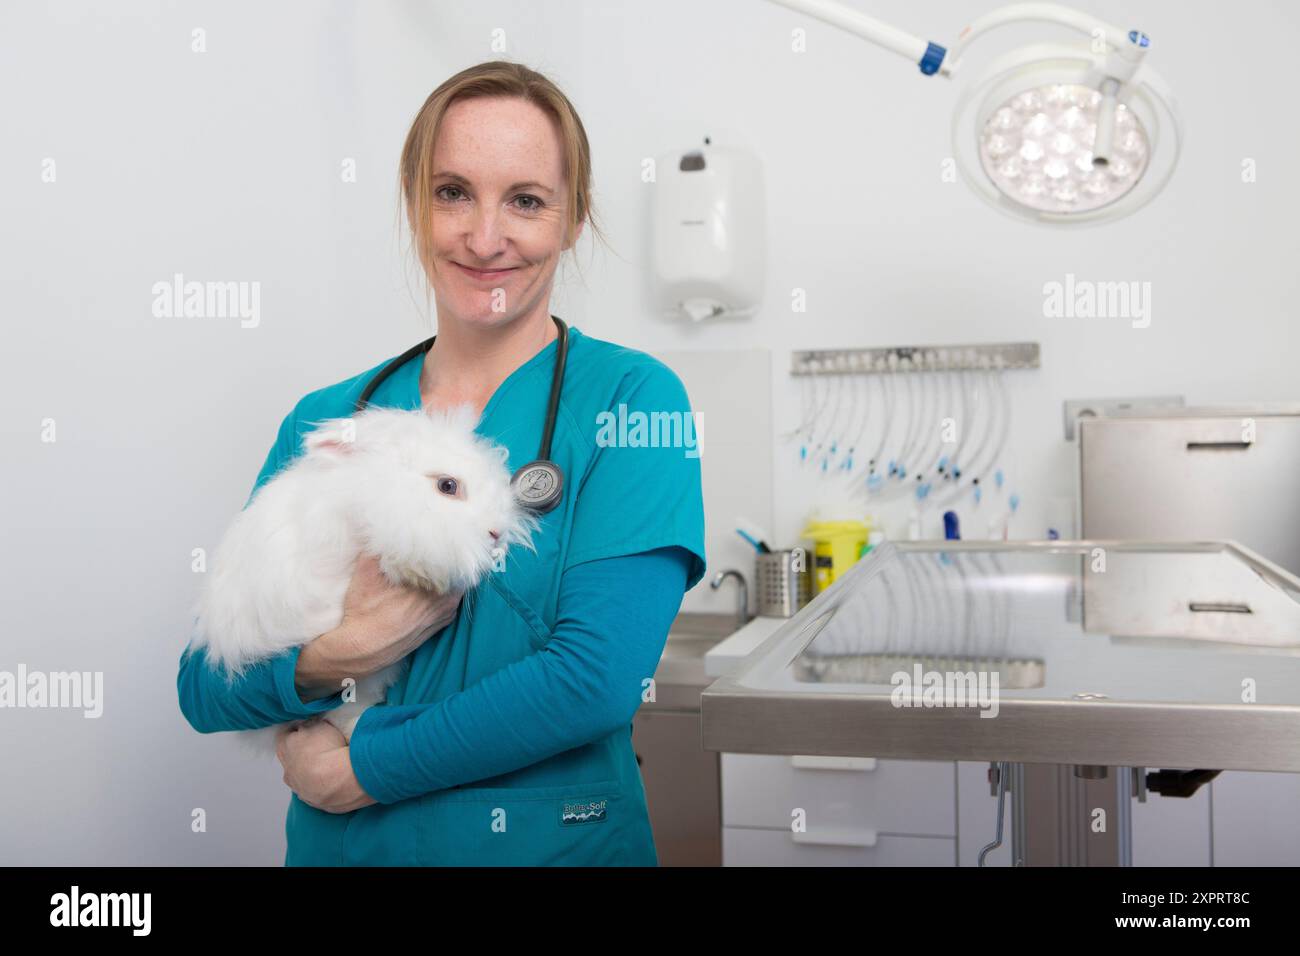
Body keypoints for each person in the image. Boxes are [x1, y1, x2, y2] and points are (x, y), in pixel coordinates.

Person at [176, 60, 706, 865]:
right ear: (416, 205)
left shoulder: (633, 402)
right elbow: (205, 688)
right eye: (452, 192)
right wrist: (338, 654)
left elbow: (594, 680)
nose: (484, 237)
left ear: (572, 219)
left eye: (525, 201)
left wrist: (367, 765)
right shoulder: (330, 422)